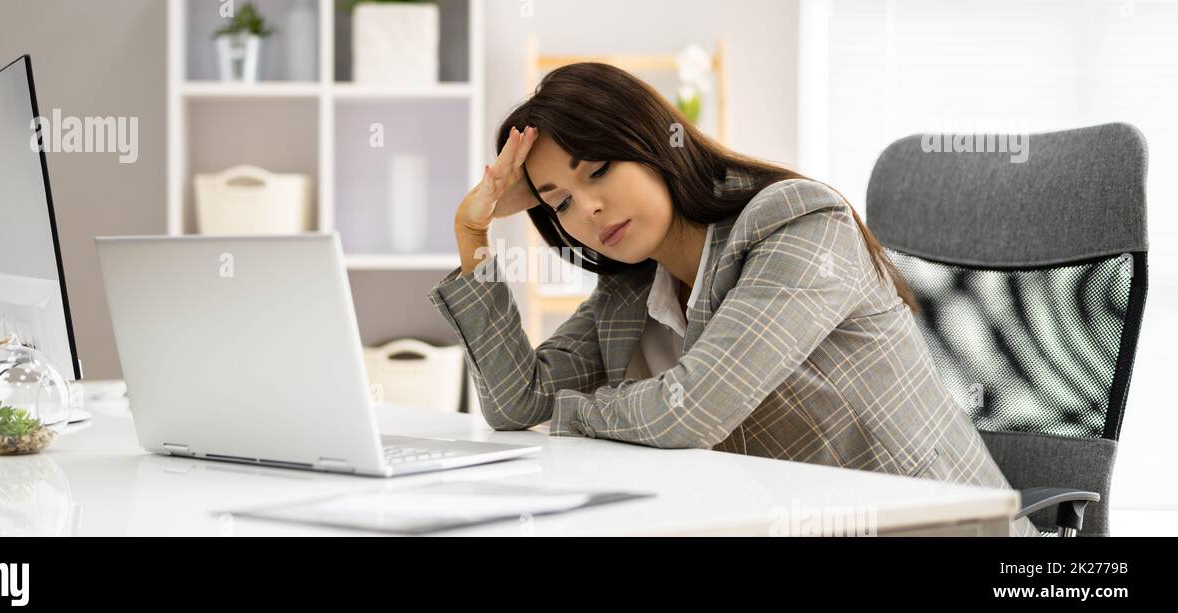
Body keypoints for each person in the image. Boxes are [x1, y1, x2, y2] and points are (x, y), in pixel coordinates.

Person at [426, 62, 1038, 537]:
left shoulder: (799, 224)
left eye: (600, 169)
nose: (585, 208)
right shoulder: (631, 289)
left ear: (652, 143)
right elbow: (516, 402)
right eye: (558, 201)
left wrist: (574, 413)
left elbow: (693, 408)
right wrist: (473, 235)